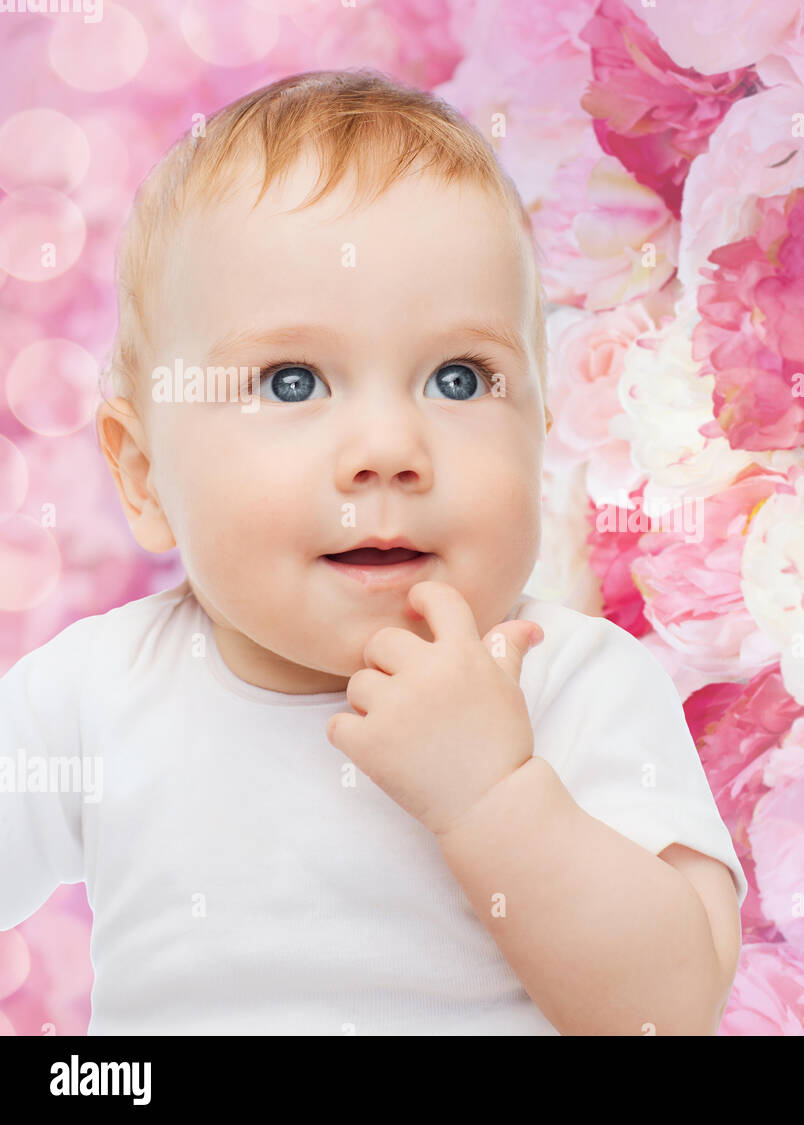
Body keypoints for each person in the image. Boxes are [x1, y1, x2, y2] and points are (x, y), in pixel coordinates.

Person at [0, 69, 745, 1035]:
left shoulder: (570, 686)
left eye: (459, 376)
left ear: (543, 431)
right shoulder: (89, 699)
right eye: (294, 380)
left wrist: (491, 796)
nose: (390, 450)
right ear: (144, 475)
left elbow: (669, 1010)